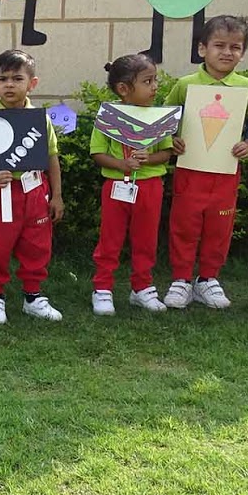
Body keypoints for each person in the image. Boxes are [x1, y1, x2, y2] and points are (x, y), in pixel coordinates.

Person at [162, 15, 248, 310]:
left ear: (243, 53)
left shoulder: (246, 87)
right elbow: (168, 120)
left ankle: (208, 278)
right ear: (202, 49)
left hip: (226, 171)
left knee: (220, 226)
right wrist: (172, 140)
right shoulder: (185, 85)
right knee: (184, 224)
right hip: (190, 170)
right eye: (219, 45)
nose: (227, 52)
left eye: (235, 47)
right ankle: (181, 279)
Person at [0, 49, 63, 324]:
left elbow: (52, 157)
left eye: (17, 78)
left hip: (36, 191)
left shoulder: (40, 119)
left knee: (37, 245)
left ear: (32, 83)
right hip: (2, 193)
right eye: (3, 79)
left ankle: (33, 296)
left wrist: (57, 196)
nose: (10, 85)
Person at [90, 53, 174, 316]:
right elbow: (97, 152)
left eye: (155, 80)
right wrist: (120, 164)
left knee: (146, 240)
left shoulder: (159, 117)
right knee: (110, 239)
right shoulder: (109, 116)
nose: (155, 87)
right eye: (148, 81)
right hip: (116, 187)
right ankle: (102, 288)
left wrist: (149, 159)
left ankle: (142, 287)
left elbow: (167, 153)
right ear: (124, 89)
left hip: (150, 187)